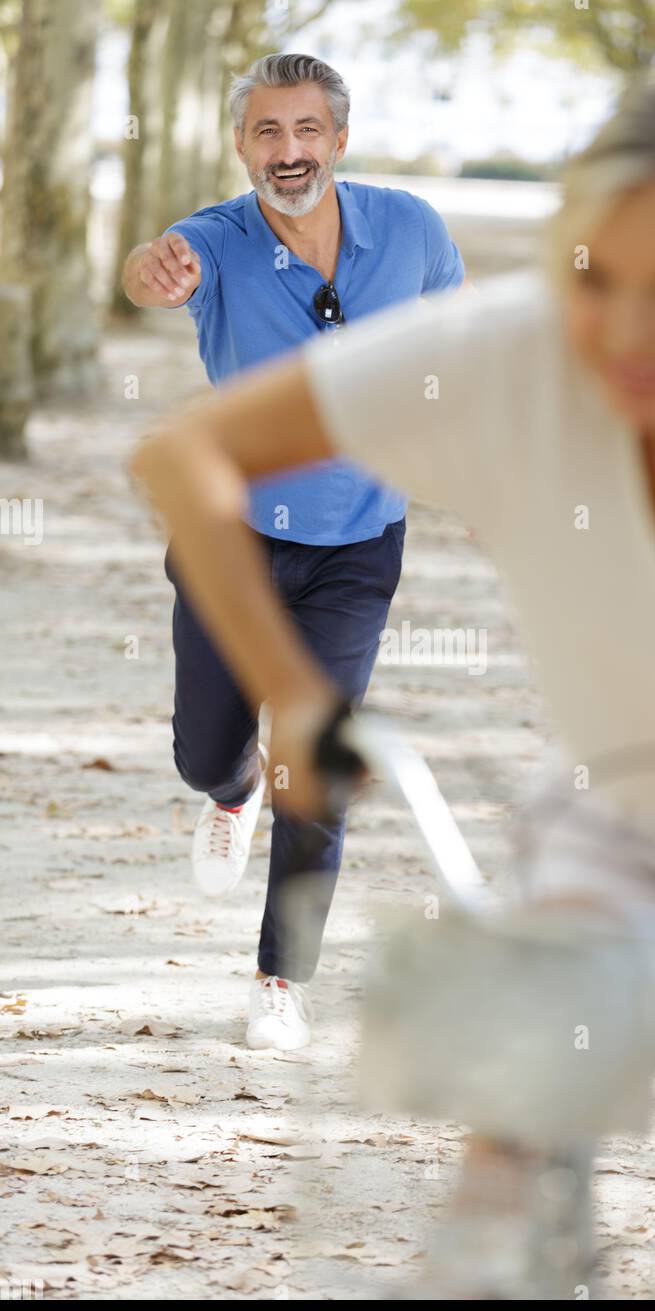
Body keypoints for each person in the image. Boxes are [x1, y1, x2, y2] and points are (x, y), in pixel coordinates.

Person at [131, 71, 655, 1298]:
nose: (626, 328)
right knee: (496, 1216)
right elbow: (186, 454)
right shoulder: (515, 354)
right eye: (597, 277)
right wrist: (292, 696)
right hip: (607, 836)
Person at [121, 53, 464, 1051]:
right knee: (203, 747)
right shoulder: (214, 241)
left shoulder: (410, 230)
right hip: (229, 535)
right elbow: (154, 271)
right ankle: (228, 789)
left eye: (306, 130)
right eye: (266, 133)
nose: (288, 151)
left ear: (339, 140)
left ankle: (280, 980)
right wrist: (149, 270)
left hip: (357, 541)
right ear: (240, 146)